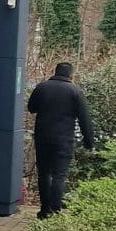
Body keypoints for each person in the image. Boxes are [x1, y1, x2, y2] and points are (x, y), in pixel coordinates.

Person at [27, 61, 97, 218]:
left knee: (44, 173)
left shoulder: (42, 87)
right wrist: (89, 142)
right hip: (63, 140)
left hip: (42, 138)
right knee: (59, 175)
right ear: (71, 74)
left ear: (55, 71)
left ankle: (44, 210)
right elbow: (84, 119)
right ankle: (55, 209)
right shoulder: (75, 91)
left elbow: (31, 108)